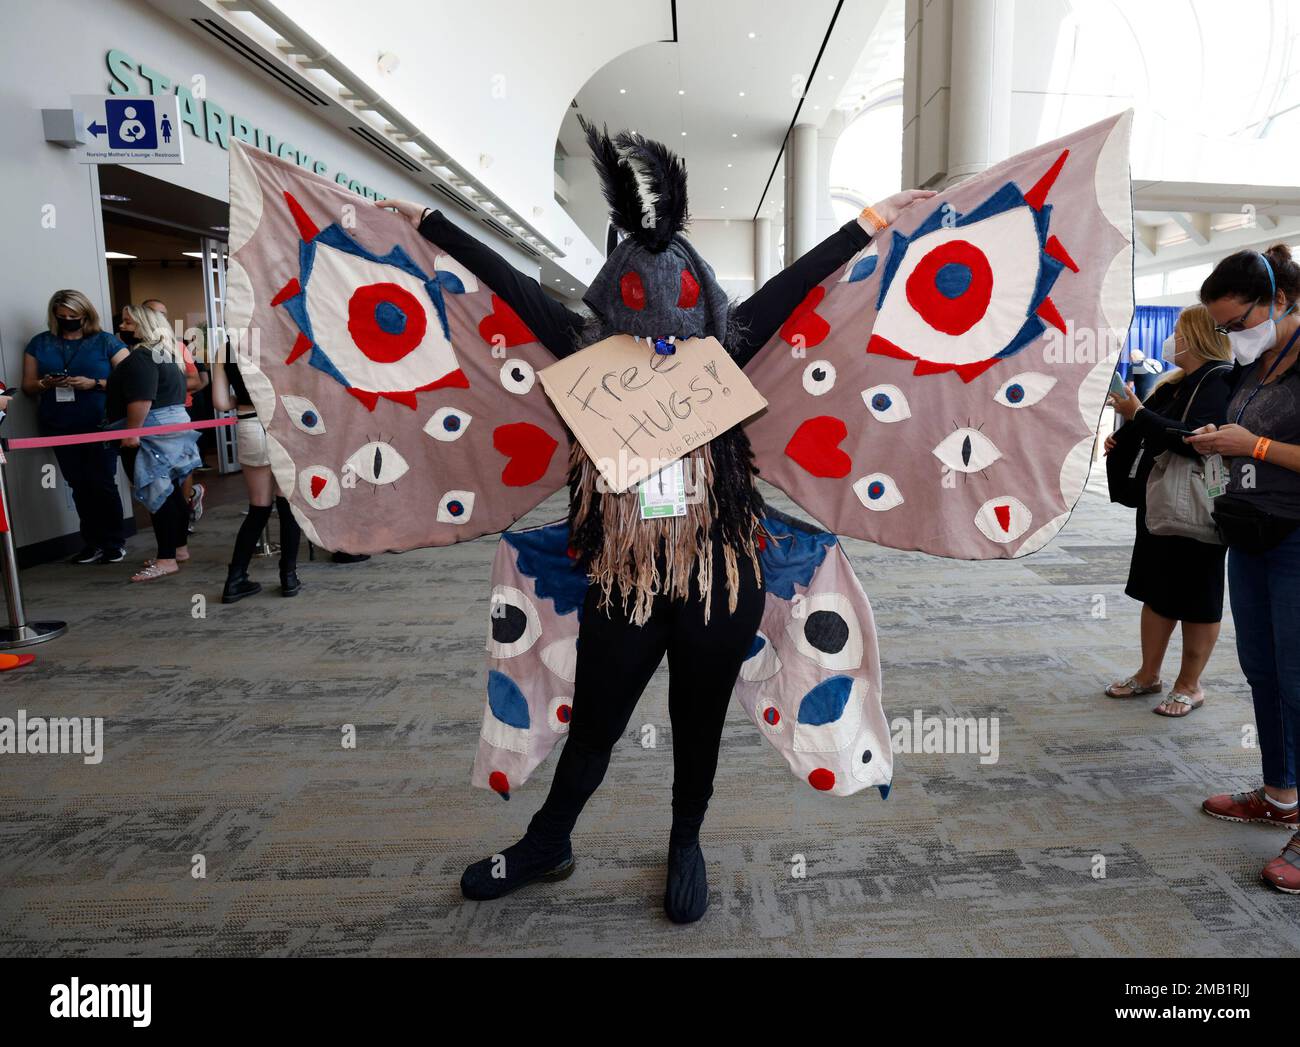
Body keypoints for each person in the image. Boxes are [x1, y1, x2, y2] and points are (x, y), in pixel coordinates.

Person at [378, 120, 935, 922]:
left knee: (696, 726)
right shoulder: (583, 353)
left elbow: (801, 282)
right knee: (595, 725)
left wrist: (874, 222)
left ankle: (685, 841)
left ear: (700, 296)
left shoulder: (727, 349)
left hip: (720, 580)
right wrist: (429, 224)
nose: (663, 332)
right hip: (626, 580)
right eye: (645, 309)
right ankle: (549, 840)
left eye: (678, 308)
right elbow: (508, 285)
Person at [1186, 244, 1300, 894]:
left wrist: (1252, 444)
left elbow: (1265, 445)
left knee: (1297, 678)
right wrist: (1221, 441)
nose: (1232, 336)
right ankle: (1281, 794)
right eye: (1223, 327)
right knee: (1263, 670)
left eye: (1238, 322)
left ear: (1278, 300)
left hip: (1295, 537)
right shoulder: (1257, 363)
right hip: (1251, 531)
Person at [1103, 305, 1233, 715]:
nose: (1172, 338)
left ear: (1196, 337)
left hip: (1198, 503)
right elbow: (1151, 428)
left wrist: (1138, 415)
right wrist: (1125, 432)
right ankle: (1149, 674)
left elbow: (1196, 440)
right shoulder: (1173, 384)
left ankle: (1189, 684)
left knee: (1198, 596)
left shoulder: (1219, 380)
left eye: (1179, 330)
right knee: (1155, 589)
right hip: (1159, 502)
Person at [22, 290, 128, 563]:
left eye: (74, 315)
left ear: (85, 315)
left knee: (102, 482)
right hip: (59, 424)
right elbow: (28, 385)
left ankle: (114, 542)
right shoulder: (40, 343)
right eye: (62, 316)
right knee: (79, 484)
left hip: (100, 424)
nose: (68, 320)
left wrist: (95, 383)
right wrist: (46, 383)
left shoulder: (106, 342)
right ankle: (92, 542)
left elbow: (130, 381)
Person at [105, 304, 200, 583]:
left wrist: (132, 433)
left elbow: (141, 398)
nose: (121, 327)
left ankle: (166, 559)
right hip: (172, 429)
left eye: (128, 322)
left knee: (159, 495)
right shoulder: (166, 353)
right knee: (173, 494)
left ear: (143, 325)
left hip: (150, 433)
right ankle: (177, 550)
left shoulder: (143, 357)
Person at [211, 338, 302, 603]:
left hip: (249, 423)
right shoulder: (279, 336)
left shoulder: (226, 348)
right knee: (287, 504)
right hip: (284, 422)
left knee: (258, 507)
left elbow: (220, 402)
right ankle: (288, 577)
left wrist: (240, 398)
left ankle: (235, 580)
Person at [141, 299, 208, 527]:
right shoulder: (134, 350)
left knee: (182, 468)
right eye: (155, 313)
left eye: (164, 314)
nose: (161, 318)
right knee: (156, 473)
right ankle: (170, 522)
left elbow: (196, 381)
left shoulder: (178, 347)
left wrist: (162, 389)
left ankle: (184, 515)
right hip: (145, 418)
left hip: (177, 413)